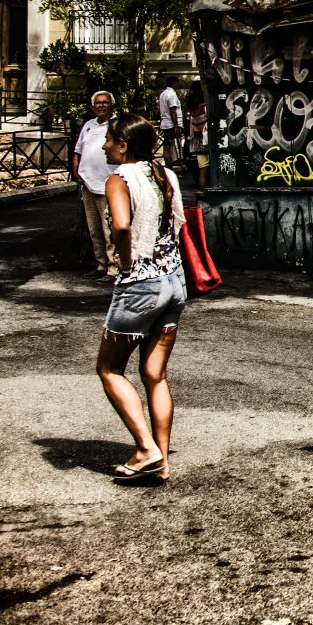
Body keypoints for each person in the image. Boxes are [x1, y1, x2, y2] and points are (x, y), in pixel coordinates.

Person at [96, 113, 186, 485]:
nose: (104, 146)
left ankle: (146, 449)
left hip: (141, 286)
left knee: (109, 369)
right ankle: (161, 461)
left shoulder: (119, 179)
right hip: (174, 282)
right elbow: (177, 223)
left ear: (123, 145)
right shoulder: (166, 174)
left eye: (108, 140)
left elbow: (121, 226)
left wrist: (124, 257)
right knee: (154, 374)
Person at [71, 91, 119, 278]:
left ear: (111, 105)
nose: (101, 106)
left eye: (105, 102)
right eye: (97, 103)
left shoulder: (117, 125)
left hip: (107, 184)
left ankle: (114, 268)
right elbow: (78, 150)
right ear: (92, 106)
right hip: (88, 184)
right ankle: (100, 264)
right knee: (94, 229)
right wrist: (76, 169)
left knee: (110, 229)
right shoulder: (88, 125)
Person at [157, 75, 185, 166]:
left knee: (167, 148)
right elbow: (173, 111)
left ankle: (169, 167)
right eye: (177, 82)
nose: (179, 84)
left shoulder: (163, 94)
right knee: (171, 148)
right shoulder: (171, 95)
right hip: (171, 125)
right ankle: (170, 168)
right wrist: (176, 126)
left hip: (165, 123)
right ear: (173, 83)